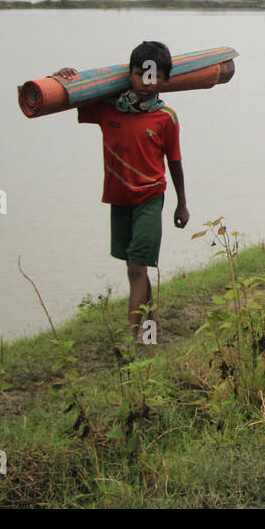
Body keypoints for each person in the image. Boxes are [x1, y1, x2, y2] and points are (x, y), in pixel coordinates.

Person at [53, 41, 189, 341]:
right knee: (137, 267)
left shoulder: (166, 117)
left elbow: (175, 161)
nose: (145, 83)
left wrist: (182, 204)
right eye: (140, 74)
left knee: (136, 268)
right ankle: (152, 329)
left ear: (165, 80)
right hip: (119, 199)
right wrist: (60, 79)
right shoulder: (107, 110)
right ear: (129, 75)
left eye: (154, 77)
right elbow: (68, 99)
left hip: (150, 198)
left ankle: (133, 337)